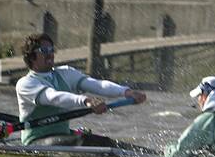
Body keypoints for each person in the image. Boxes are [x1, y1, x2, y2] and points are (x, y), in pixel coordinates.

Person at [14, 33, 147, 147]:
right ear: (31, 56)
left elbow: (97, 85)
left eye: (51, 49)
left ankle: (155, 155)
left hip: (63, 136)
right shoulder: (26, 84)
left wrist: (126, 92)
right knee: (85, 140)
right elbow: (54, 97)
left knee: (104, 141)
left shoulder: (66, 73)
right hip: (36, 143)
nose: (50, 54)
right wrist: (86, 101)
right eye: (44, 50)